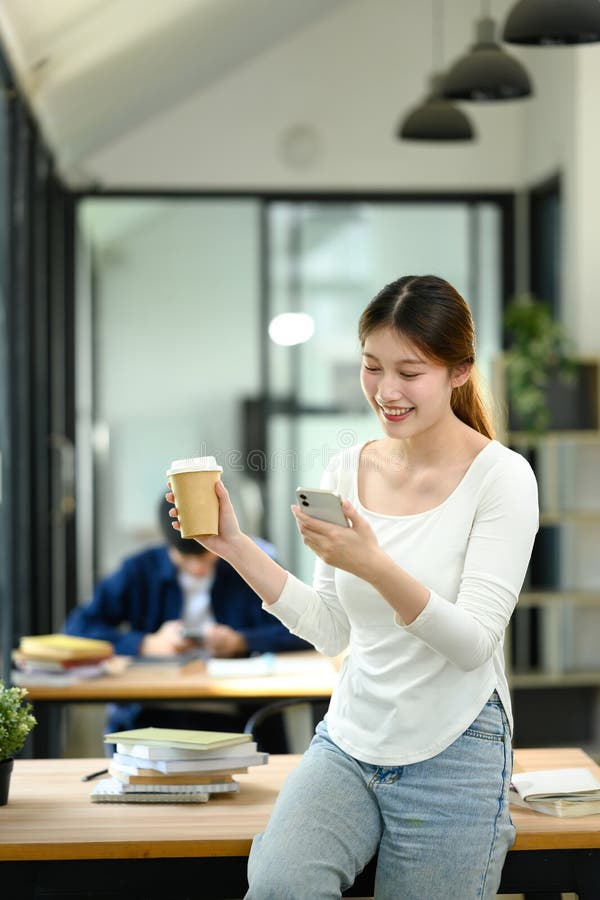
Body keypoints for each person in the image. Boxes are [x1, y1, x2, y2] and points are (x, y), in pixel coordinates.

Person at [167, 274, 539, 900]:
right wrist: (233, 545)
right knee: (280, 884)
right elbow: (332, 628)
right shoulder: (347, 466)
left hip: (455, 746)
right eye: (372, 368)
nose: (386, 391)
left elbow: (474, 643)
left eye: (409, 371)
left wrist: (372, 564)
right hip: (350, 736)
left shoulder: (502, 478)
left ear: (459, 371)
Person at [64, 495, 310, 745]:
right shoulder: (139, 570)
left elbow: (304, 628)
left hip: (237, 714)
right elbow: (77, 630)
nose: (198, 569)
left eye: (207, 556)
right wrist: (146, 644)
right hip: (153, 712)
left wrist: (241, 641)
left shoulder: (250, 565)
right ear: (168, 545)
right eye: (186, 559)